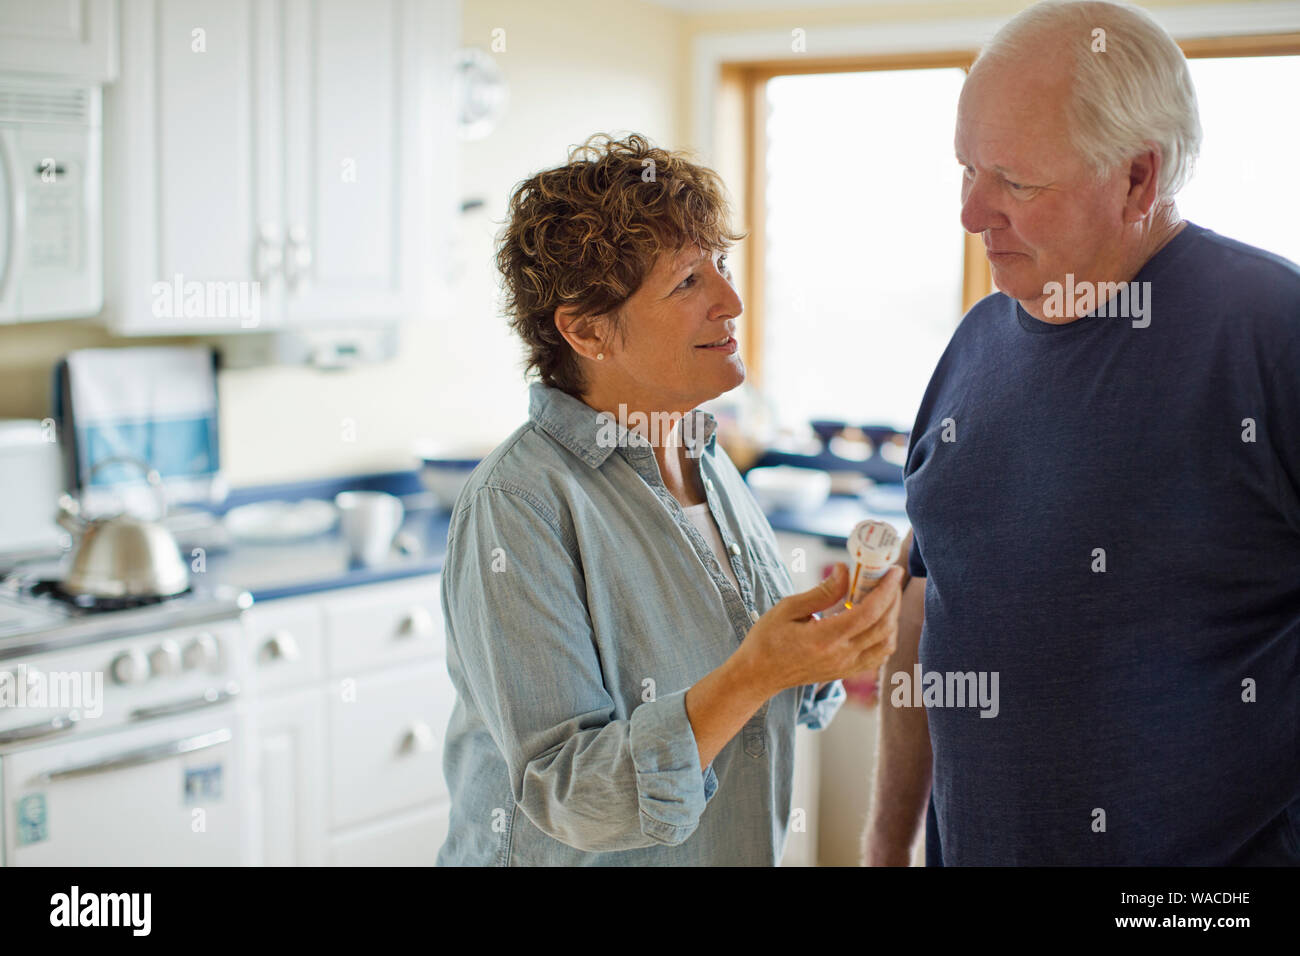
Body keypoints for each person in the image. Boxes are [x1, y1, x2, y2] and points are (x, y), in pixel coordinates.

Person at [865, 0, 1300, 866]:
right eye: (966, 169)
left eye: (1016, 182)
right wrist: (885, 845)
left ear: (1139, 178)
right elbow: (925, 606)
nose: (972, 212)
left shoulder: (1271, 333)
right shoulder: (975, 345)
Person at [437, 133, 905, 865]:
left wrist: (824, 651)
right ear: (588, 330)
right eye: (688, 281)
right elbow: (572, 793)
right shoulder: (518, 505)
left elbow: (745, 697)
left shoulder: (707, 461)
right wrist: (760, 670)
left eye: (720, 264)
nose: (731, 300)